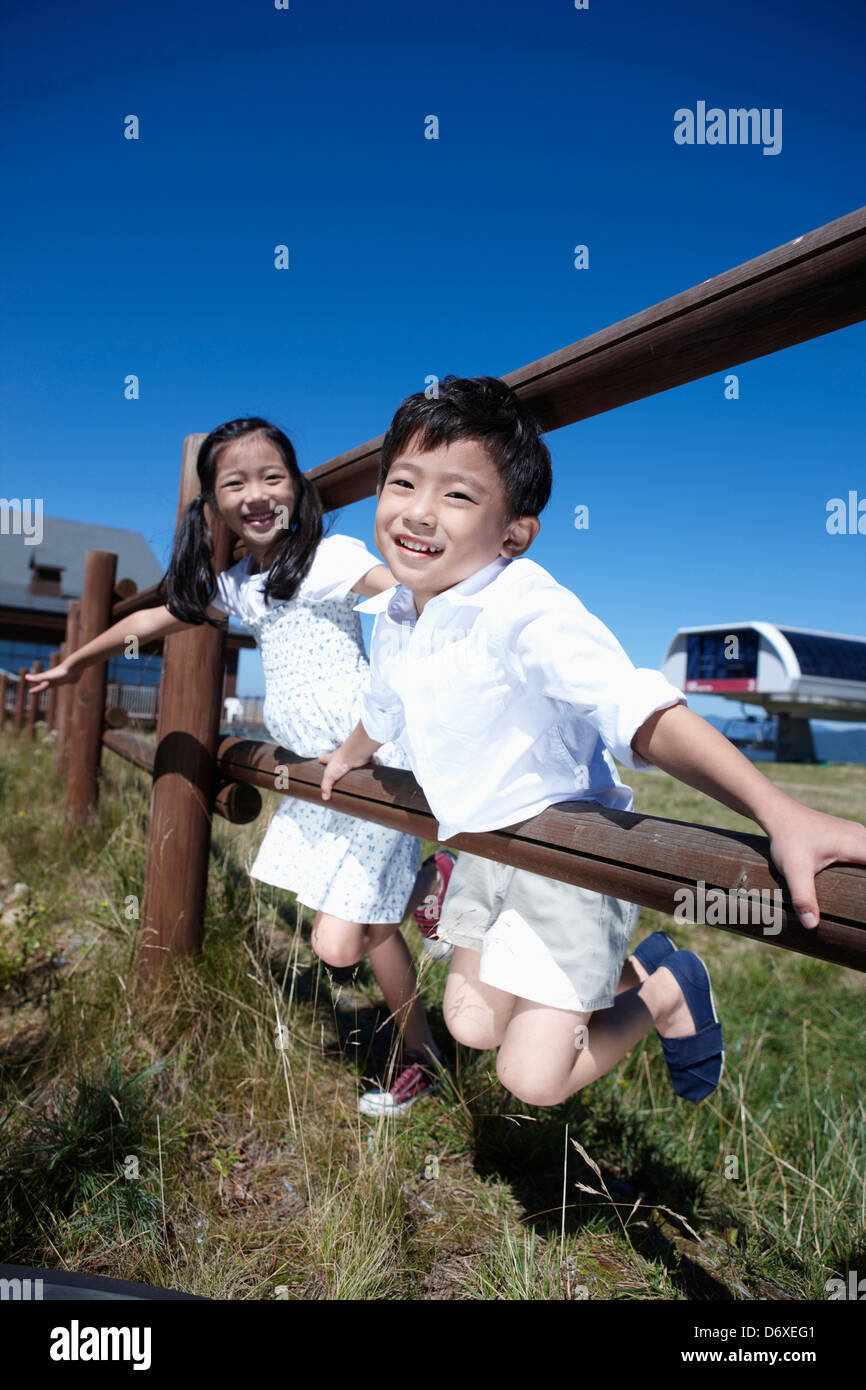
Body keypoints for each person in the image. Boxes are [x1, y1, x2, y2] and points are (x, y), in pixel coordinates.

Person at [319, 376, 866, 1108]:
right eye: (404, 482)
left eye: (458, 495)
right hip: (486, 850)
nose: (419, 512)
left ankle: (666, 991)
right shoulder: (395, 614)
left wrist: (779, 813)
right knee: (472, 1024)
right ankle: (631, 969)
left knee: (529, 1079)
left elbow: (634, 706)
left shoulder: (522, 606)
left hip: (567, 855)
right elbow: (385, 704)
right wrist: (353, 752)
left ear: (513, 532)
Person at [27, 417, 455, 1116]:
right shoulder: (239, 587)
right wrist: (80, 659)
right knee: (363, 929)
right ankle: (424, 1036)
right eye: (236, 482)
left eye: (272, 476)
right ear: (213, 506)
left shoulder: (332, 558)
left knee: (342, 941)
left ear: (297, 487)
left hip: (368, 764)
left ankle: (419, 1037)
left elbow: (415, 595)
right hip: (318, 783)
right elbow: (151, 620)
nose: (256, 494)